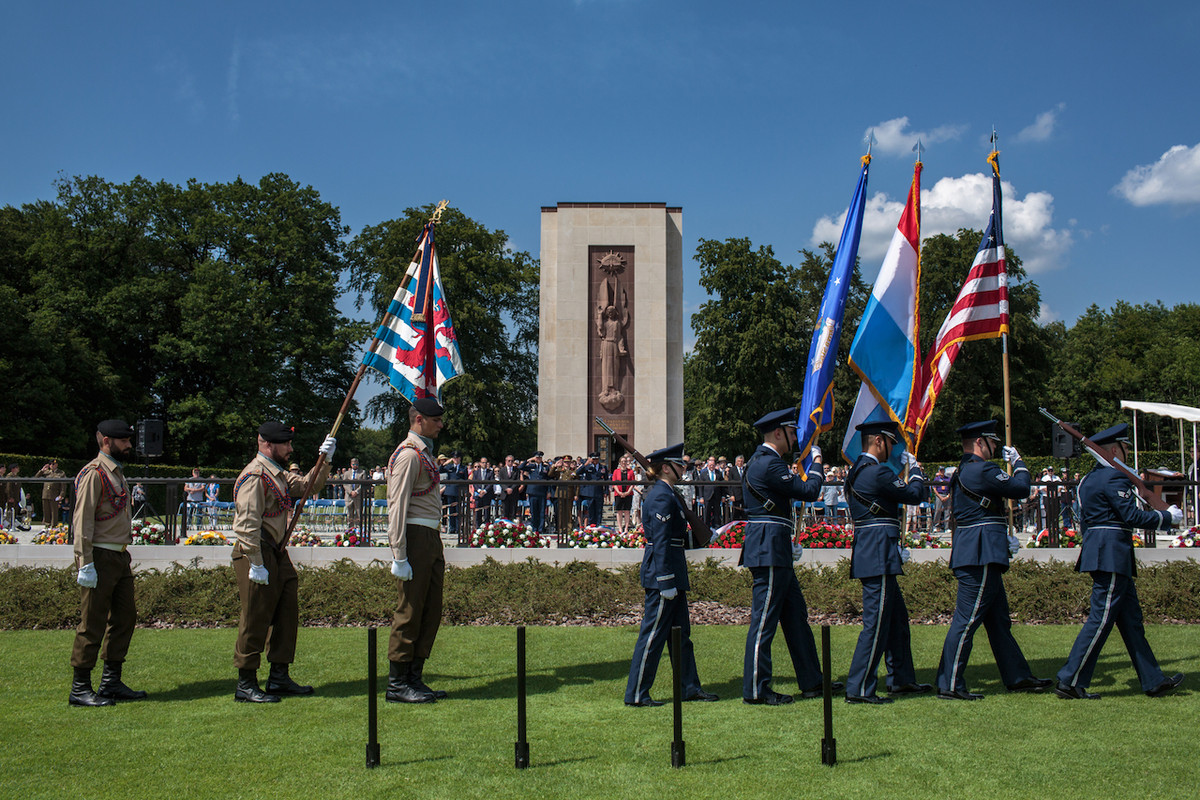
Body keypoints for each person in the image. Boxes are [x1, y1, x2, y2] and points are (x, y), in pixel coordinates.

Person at [1055, 423, 1185, 699]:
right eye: (1125, 448)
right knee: (1101, 621)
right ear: (1115, 450)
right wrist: (1167, 518)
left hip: (1105, 552)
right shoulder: (1114, 478)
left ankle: (1152, 680)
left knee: (1131, 621)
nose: (1127, 453)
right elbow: (1132, 517)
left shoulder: (1089, 479)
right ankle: (1070, 680)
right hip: (1111, 554)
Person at [935, 421, 1051, 700]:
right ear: (979, 443)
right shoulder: (982, 469)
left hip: (981, 548)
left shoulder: (965, 469)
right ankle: (949, 684)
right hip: (981, 553)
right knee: (967, 620)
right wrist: (1020, 463)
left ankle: (1017, 676)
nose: (996, 447)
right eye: (992, 441)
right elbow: (1021, 488)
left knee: (998, 621)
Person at [231, 421, 334, 703]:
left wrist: (325, 460)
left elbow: (307, 486)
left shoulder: (274, 474)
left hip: (275, 550)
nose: (290, 449)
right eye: (284, 444)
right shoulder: (255, 476)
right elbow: (247, 524)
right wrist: (255, 562)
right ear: (266, 444)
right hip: (258, 550)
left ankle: (279, 676)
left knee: (286, 611)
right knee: (256, 615)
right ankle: (246, 681)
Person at [741, 406, 834, 705]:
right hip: (769, 549)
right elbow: (808, 491)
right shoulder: (769, 464)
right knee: (764, 622)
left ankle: (812, 681)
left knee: (795, 616)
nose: (796, 439)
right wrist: (816, 462)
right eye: (793, 433)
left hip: (775, 546)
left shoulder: (766, 462)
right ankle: (756, 689)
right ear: (779, 432)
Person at [843, 421, 932, 704]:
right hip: (878, 553)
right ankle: (858, 687)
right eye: (891, 443)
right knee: (877, 624)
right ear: (879, 441)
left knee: (896, 621)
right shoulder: (877, 472)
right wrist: (916, 470)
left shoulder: (857, 470)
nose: (893, 449)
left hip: (877, 550)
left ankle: (901, 679)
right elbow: (915, 494)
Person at [625, 443, 718, 706]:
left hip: (672, 572)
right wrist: (665, 581)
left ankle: (689, 687)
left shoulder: (669, 494)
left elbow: (675, 539)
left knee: (680, 637)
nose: (684, 467)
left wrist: (705, 537)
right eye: (680, 464)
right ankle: (637, 694)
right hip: (662, 575)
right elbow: (662, 542)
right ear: (666, 467)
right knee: (653, 637)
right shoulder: (660, 496)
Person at [69, 419, 146, 707]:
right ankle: (80, 687)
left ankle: (111, 682)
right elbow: (82, 522)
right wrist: (84, 563)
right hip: (99, 556)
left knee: (125, 617)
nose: (128, 446)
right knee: (92, 623)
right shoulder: (95, 474)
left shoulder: (115, 473)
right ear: (106, 442)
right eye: (123, 441)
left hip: (118, 556)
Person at [386, 398, 450, 704]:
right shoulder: (409, 456)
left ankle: (414, 676)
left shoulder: (424, 454)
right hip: (414, 536)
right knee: (410, 609)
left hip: (429, 536)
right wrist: (399, 554)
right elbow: (396, 505)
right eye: (436, 420)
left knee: (429, 609)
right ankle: (398, 683)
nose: (441, 424)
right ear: (419, 420)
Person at [519, 452, 552, 535]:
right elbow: (520, 467)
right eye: (537, 457)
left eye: (540, 458)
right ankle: (534, 528)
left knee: (541, 511)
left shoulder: (545, 467)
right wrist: (528, 460)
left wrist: (548, 491)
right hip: (532, 491)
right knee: (533, 511)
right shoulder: (531, 466)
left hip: (542, 491)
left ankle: (540, 529)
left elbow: (548, 478)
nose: (538, 459)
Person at [439, 451, 469, 538]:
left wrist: (466, 492)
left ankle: (457, 527)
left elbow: (466, 480)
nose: (455, 460)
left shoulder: (463, 468)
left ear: (460, 458)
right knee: (451, 511)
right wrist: (444, 464)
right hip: (450, 491)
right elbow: (440, 470)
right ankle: (451, 527)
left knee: (458, 511)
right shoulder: (449, 467)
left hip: (459, 491)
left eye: (457, 458)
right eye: (454, 458)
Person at [575, 453, 606, 527]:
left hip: (599, 492)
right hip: (589, 493)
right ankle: (591, 527)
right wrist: (585, 464)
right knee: (590, 511)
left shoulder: (603, 467)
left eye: (596, 459)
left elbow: (606, 479)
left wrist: (606, 491)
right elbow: (577, 472)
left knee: (599, 511)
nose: (595, 461)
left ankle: (598, 526)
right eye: (593, 459)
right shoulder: (587, 467)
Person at [35, 459, 67, 529]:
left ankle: (54, 525)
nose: (52, 465)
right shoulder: (46, 472)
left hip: (54, 494)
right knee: (46, 510)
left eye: (53, 464)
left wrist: (62, 494)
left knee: (54, 511)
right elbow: (36, 478)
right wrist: (42, 470)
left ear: (56, 465)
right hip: (46, 494)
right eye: (51, 464)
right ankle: (47, 524)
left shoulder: (61, 473)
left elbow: (63, 485)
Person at [611, 455, 636, 533]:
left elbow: (633, 483)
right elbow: (614, 483)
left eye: (625, 461)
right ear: (619, 463)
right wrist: (619, 492)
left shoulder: (631, 471)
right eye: (622, 461)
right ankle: (620, 528)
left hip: (628, 493)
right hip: (618, 493)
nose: (624, 463)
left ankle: (626, 528)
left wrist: (628, 492)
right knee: (619, 511)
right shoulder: (616, 471)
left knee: (627, 511)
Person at [498, 455, 522, 520]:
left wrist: (511, 488)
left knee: (513, 513)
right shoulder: (502, 470)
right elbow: (500, 481)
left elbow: (517, 481)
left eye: (512, 461)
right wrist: (506, 489)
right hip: (505, 494)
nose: (510, 462)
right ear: (506, 461)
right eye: (509, 461)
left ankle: (512, 528)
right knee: (505, 513)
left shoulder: (517, 470)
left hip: (513, 494)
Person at [345, 457, 367, 527]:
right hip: (349, 496)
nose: (355, 465)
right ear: (351, 465)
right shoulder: (347, 473)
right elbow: (345, 484)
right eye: (354, 464)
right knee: (349, 513)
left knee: (359, 513)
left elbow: (363, 483)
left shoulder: (362, 472)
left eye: (356, 464)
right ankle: (350, 529)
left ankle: (358, 528)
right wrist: (350, 492)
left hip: (358, 496)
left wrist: (356, 492)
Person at [931, 466, 952, 532]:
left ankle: (947, 527)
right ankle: (936, 526)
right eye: (940, 470)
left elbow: (951, 488)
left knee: (947, 511)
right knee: (937, 510)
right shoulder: (936, 479)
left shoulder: (948, 479)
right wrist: (939, 496)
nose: (942, 472)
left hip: (946, 495)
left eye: (943, 470)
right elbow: (934, 488)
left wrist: (948, 496)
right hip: (939, 495)